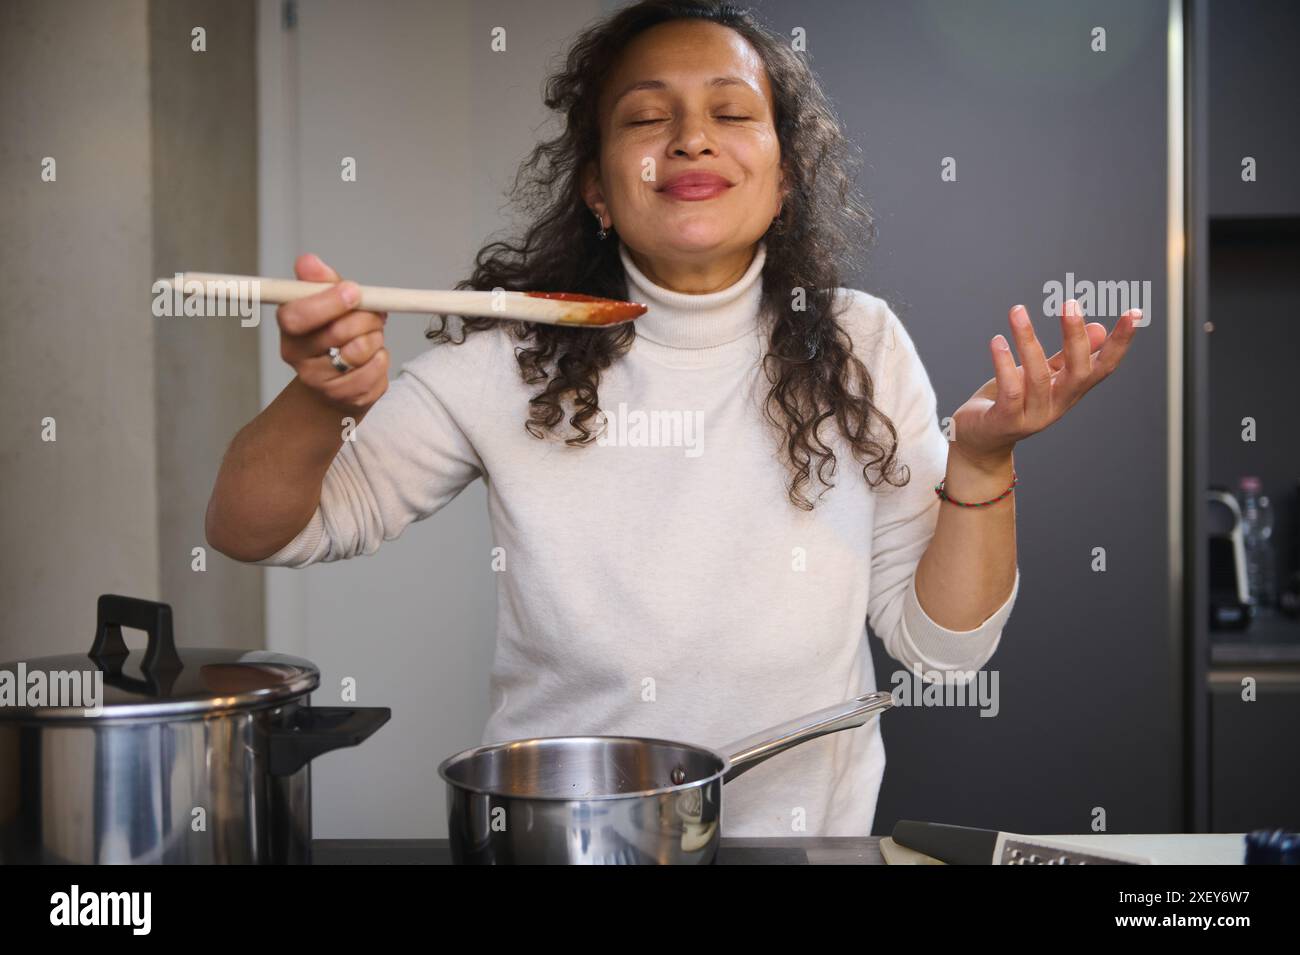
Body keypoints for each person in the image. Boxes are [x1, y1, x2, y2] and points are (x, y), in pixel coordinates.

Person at [206, 0, 1138, 836]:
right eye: (648, 118)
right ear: (598, 190)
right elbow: (255, 528)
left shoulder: (860, 341)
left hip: (806, 848)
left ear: (783, 177)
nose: (693, 139)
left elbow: (944, 653)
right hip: (563, 839)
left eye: (732, 114)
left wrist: (981, 465)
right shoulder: (506, 353)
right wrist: (320, 398)